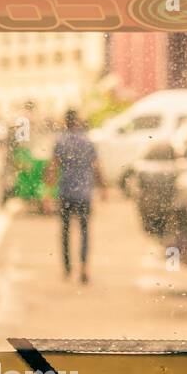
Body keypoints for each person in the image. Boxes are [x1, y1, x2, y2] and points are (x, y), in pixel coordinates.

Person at [47, 109, 106, 284]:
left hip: (65, 192)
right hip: (84, 193)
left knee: (65, 231)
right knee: (85, 231)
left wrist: (48, 193)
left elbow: (53, 167)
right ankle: (84, 267)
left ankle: (67, 267)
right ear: (78, 121)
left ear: (66, 121)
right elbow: (96, 167)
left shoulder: (61, 142)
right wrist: (103, 188)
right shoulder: (87, 141)